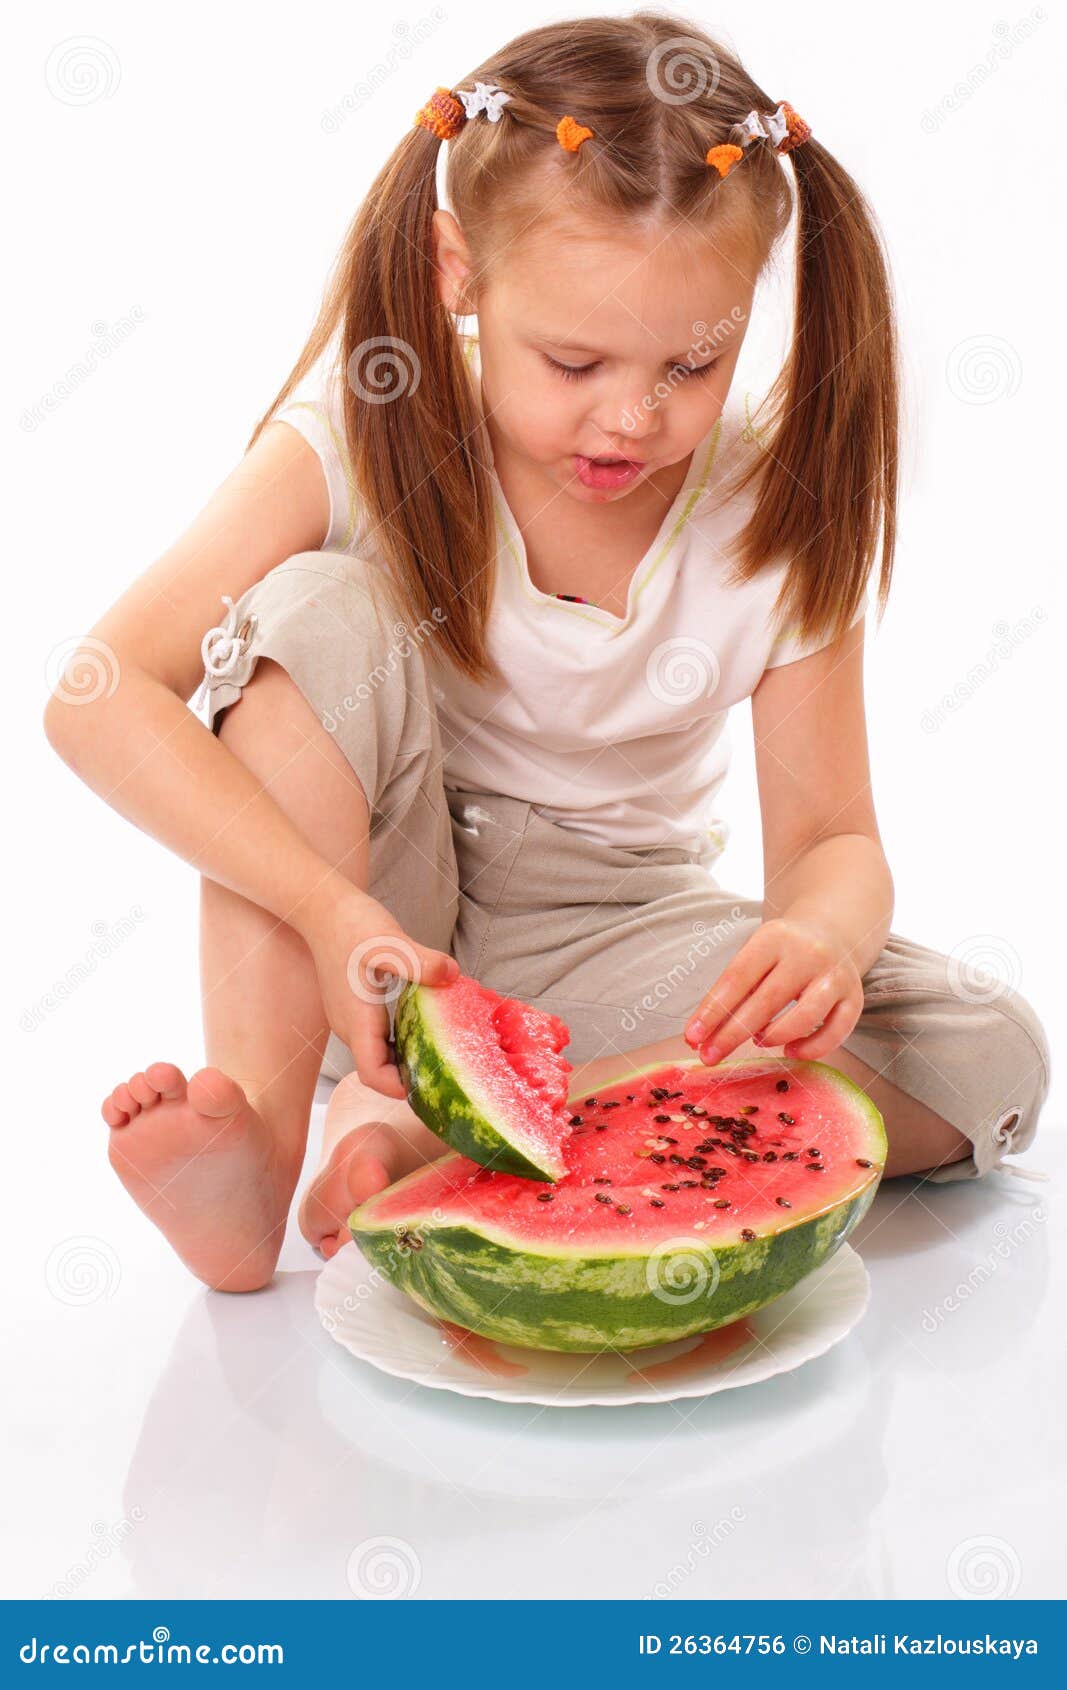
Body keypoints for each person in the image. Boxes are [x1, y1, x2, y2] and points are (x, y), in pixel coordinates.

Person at [45, 13, 1050, 1293]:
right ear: (457, 271)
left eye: (695, 362)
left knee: (991, 1053)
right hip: (371, 922)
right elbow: (94, 693)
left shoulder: (774, 510)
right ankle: (259, 1135)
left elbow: (833, 840)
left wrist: (822, 939)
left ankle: (451, 1126)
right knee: (309, 612)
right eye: (573, 359)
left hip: (618, 941)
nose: (632, 417)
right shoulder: (364, 429)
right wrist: (330, 910)